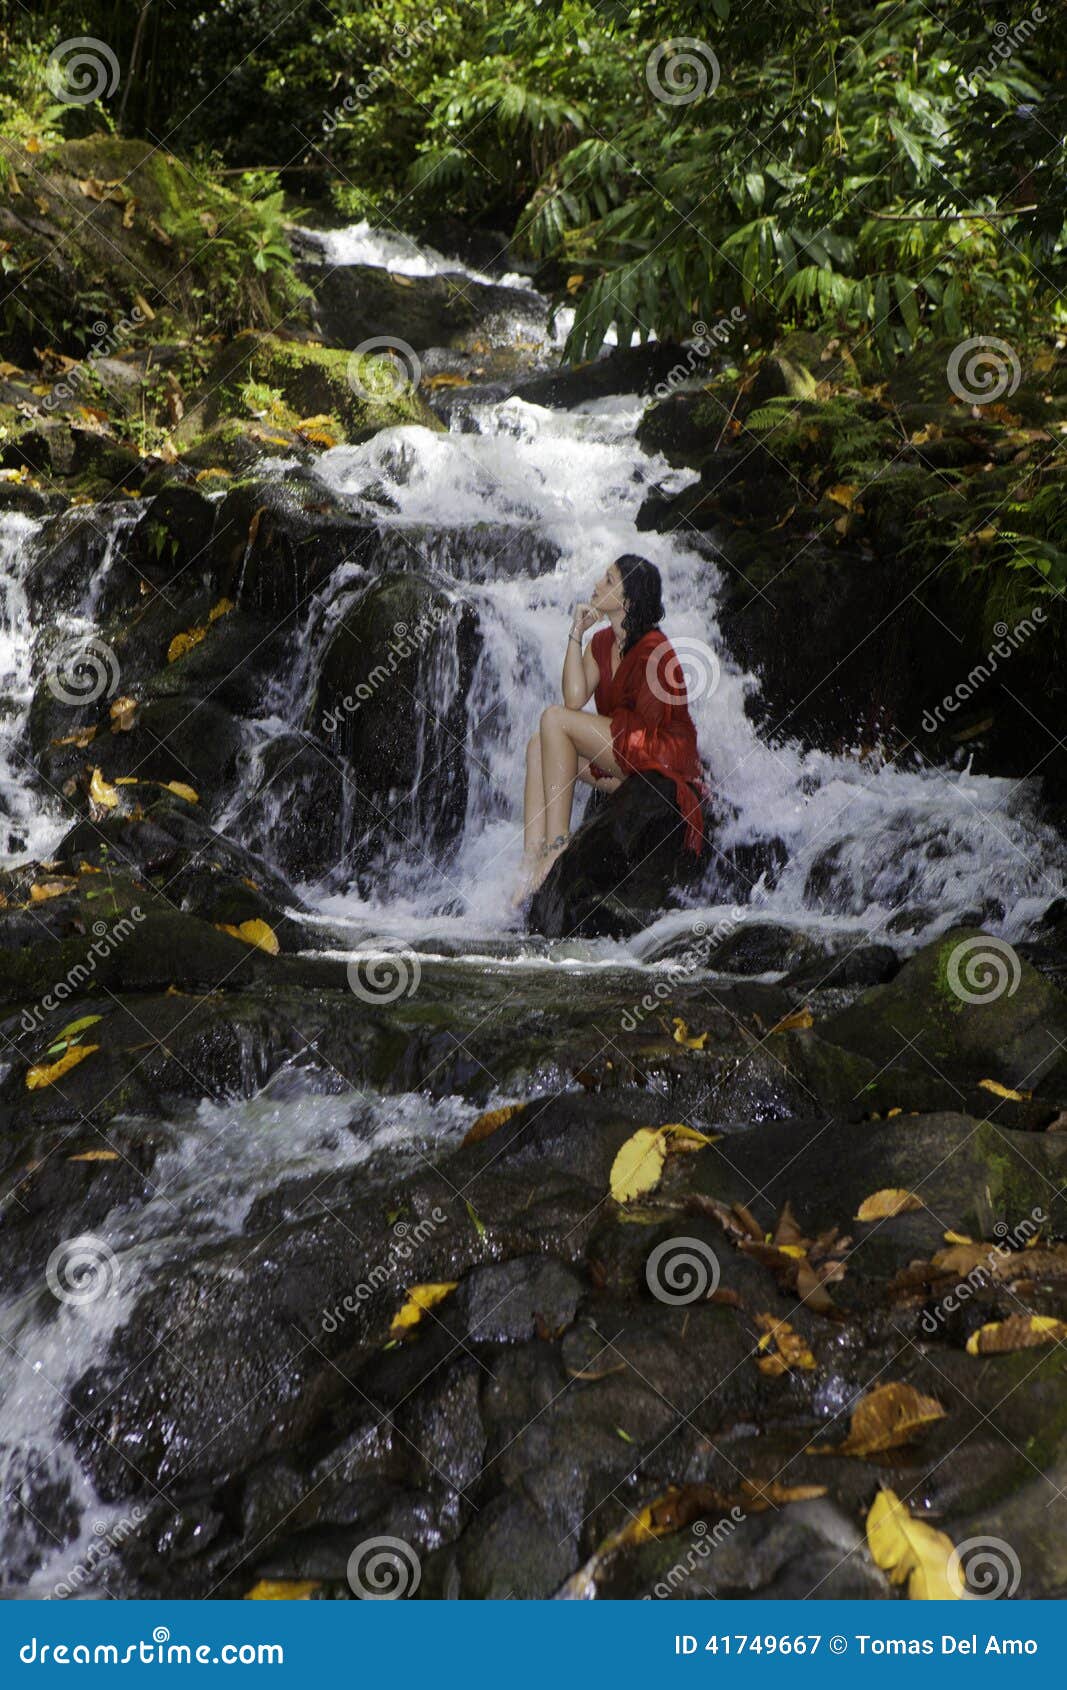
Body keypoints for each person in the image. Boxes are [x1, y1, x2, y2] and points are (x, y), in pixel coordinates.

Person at [519, 553, 705, 898]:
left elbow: (650, 730)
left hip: (658, 758)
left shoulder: (656, 650)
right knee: (538, 745)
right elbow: (574, 698)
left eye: (608, 580)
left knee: (553, 719)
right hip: (624, 757)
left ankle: (558, 847)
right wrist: (576, 632)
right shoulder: (602, 642)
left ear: (627, 600)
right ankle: (530, 862)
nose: (596, 584)